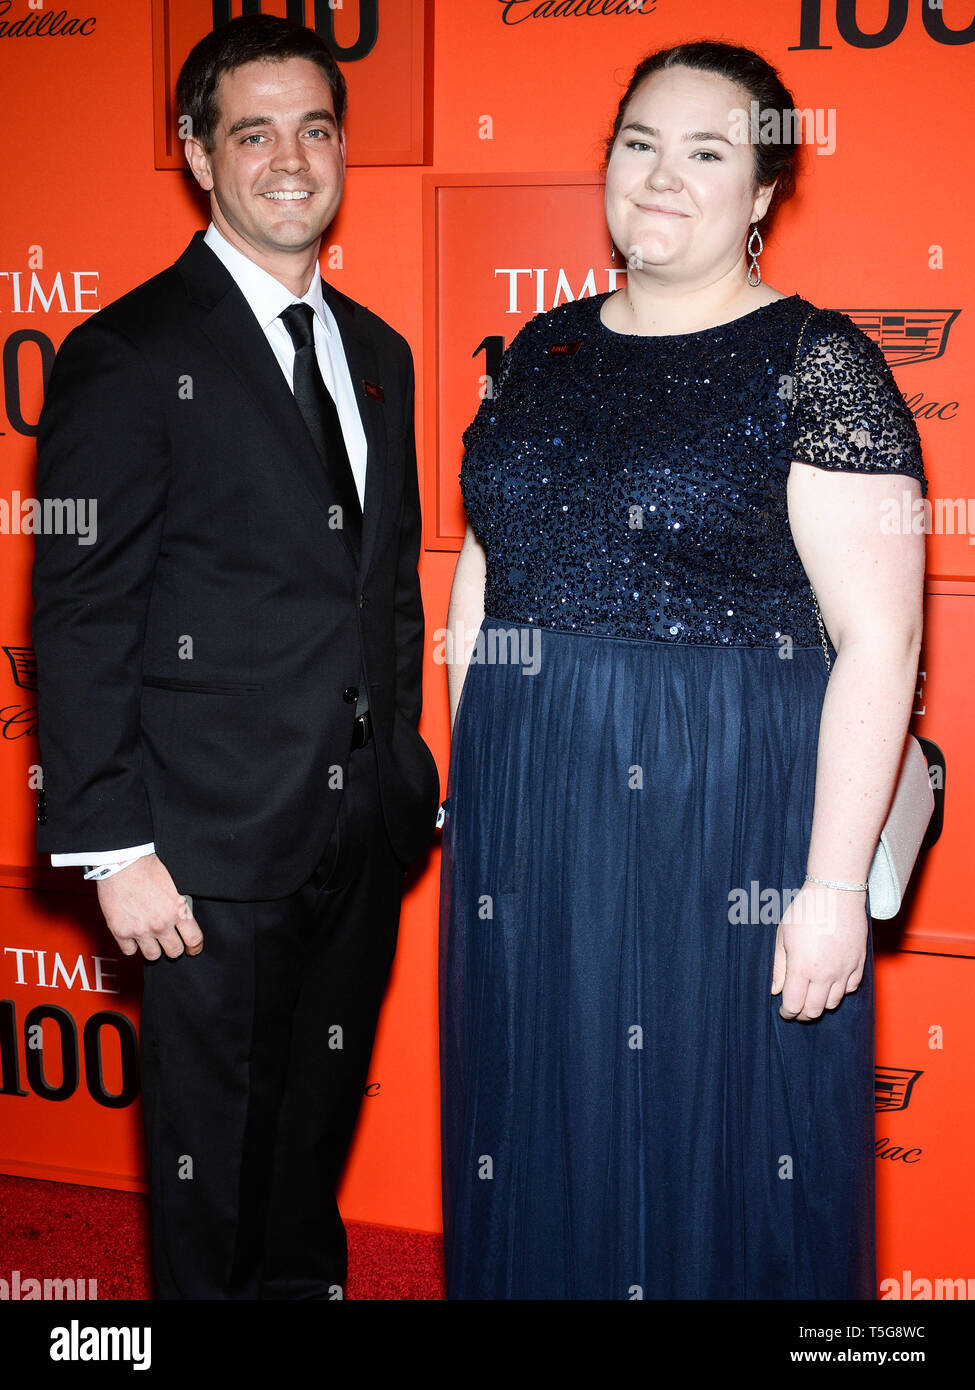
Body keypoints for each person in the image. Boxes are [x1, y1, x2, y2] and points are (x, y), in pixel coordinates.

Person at [439, 40, 926, 1299]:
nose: (662, 174)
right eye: (640, 141)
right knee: (543, 1105)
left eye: (708, 151)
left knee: (715, 1126)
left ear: (763, 191)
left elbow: (881, 637)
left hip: (726, 812)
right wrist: (478, 768)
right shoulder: (538, 353)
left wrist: (827, 884)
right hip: (533, 810)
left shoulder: (816, 363)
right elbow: (484, 571)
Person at [31, 13, 439, 1300]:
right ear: (198, 157)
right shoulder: (130, 353)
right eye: (251, 131)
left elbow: (381, 594)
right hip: (203, 847)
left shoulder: (377, 354)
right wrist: (114, 847)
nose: (289, 160)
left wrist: (406, 768)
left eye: (315, 129)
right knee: (214, 1173)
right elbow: (82, 610)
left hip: (360, 829)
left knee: (308, 1150)